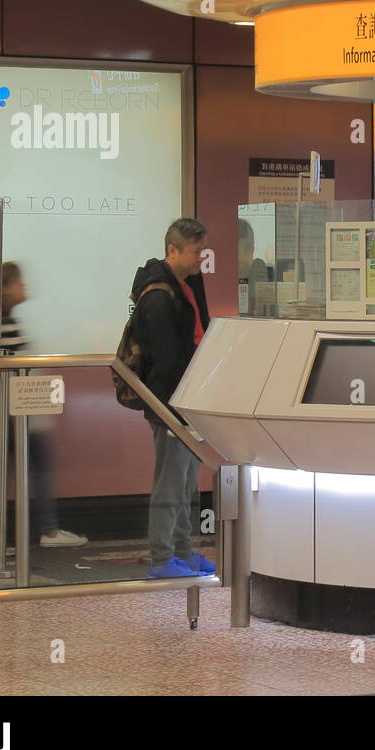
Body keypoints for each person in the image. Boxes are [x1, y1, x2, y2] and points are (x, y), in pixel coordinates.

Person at [131, 218, 215, 579]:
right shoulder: (160, 298)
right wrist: (171, 412)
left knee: (186, 480)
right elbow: (166, 360)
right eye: (196, 252)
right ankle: (162, 557)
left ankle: (181, 550)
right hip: (170, 404)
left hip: (186, 401)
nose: (202, 259)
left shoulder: (186, 286)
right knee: (170, 480)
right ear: (173, 250)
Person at [0, 262, 87, 548]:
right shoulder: (4, 324)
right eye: (18, 282)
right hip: (18, 411)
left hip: (19, 410)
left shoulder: (8, 321)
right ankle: (46, 530)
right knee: (39, 466)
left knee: (19, 468)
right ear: (5, 288)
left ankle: (34, 530)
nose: (24, 287)